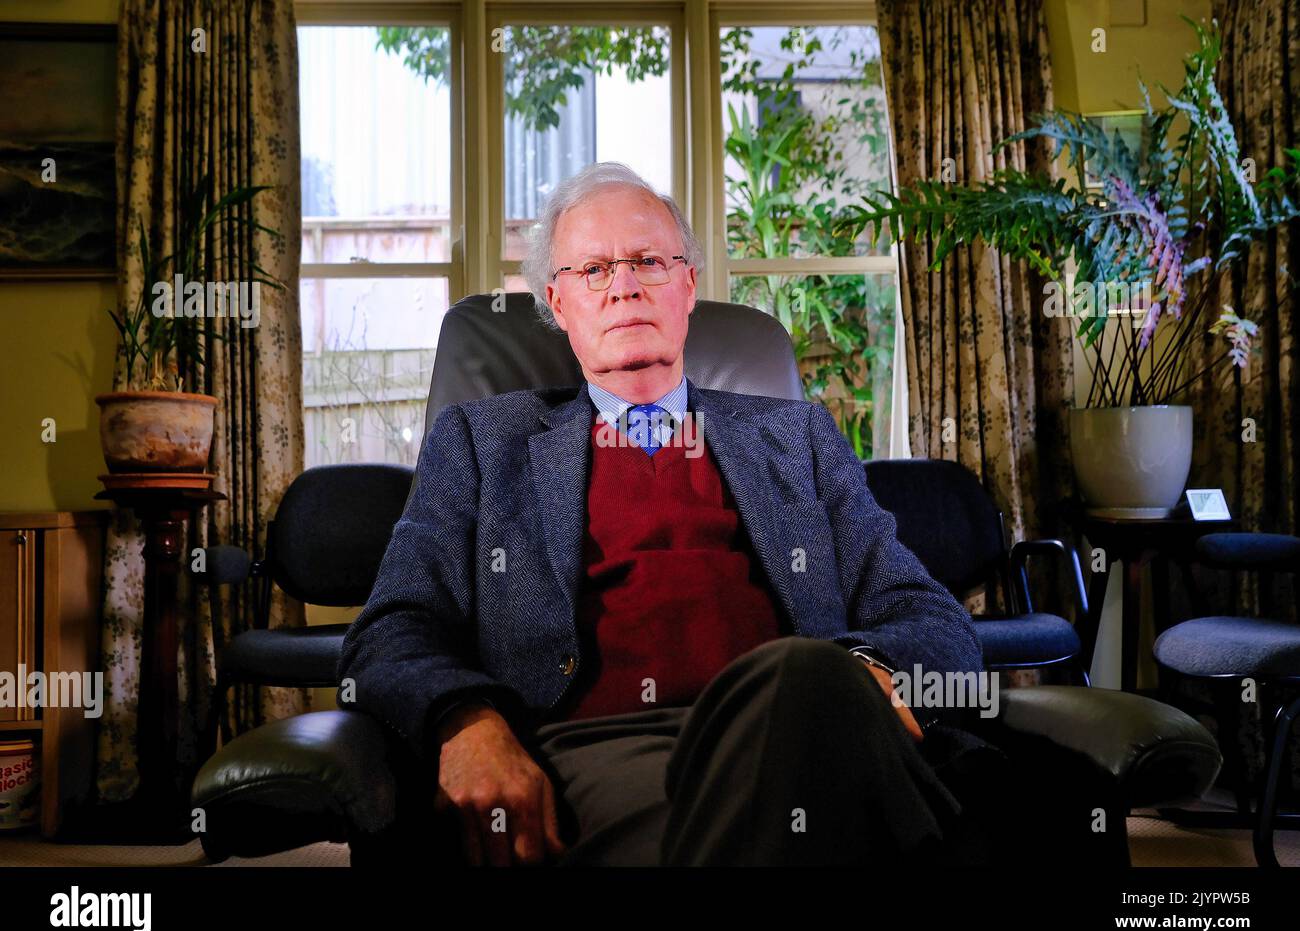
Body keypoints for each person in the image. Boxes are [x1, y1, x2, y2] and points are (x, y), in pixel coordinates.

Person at [337, 161, 1013, 867]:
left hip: (827, 726)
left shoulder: (798, 437)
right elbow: (390, 630)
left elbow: (929, 617)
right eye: (594, 269)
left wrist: (866, 671)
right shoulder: (483, 443)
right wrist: (466, 722)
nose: (625, 285)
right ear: (556, 302)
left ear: (688, 285)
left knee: (1046, 780)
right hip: (607, 750)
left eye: (649, 262)